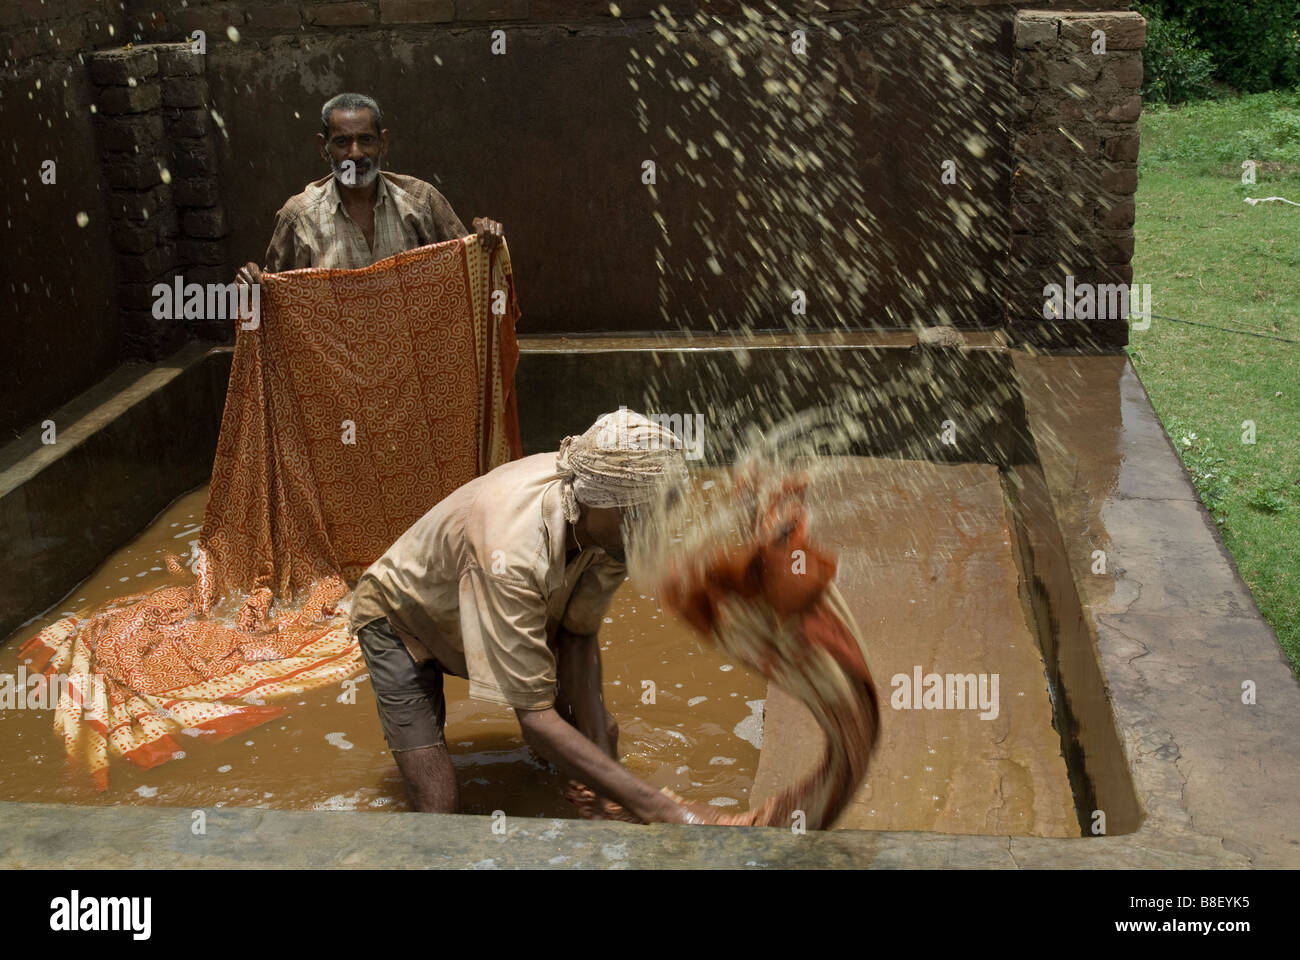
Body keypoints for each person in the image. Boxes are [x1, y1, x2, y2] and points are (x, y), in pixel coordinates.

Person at [348, 409, 724, 825]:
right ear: (595, 502)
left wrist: (603, 765)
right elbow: (535, 720)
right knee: (440, 806)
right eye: (641, 517)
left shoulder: (617, 529)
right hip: (402, 618)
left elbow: (577, 636)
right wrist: (667, 810)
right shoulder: (511, 548)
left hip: (502, 606)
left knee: (599, 736)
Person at [236, 92, 503, 287]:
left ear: (383, 143)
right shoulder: (299, 216)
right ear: (323, 148)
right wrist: (252, 282)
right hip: (333, 361)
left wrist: (484, 238)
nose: (355, 154)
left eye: (366, 140)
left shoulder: (420, 200)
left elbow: (467, 270)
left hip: (410, 357)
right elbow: (272, 293)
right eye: (342, 142)